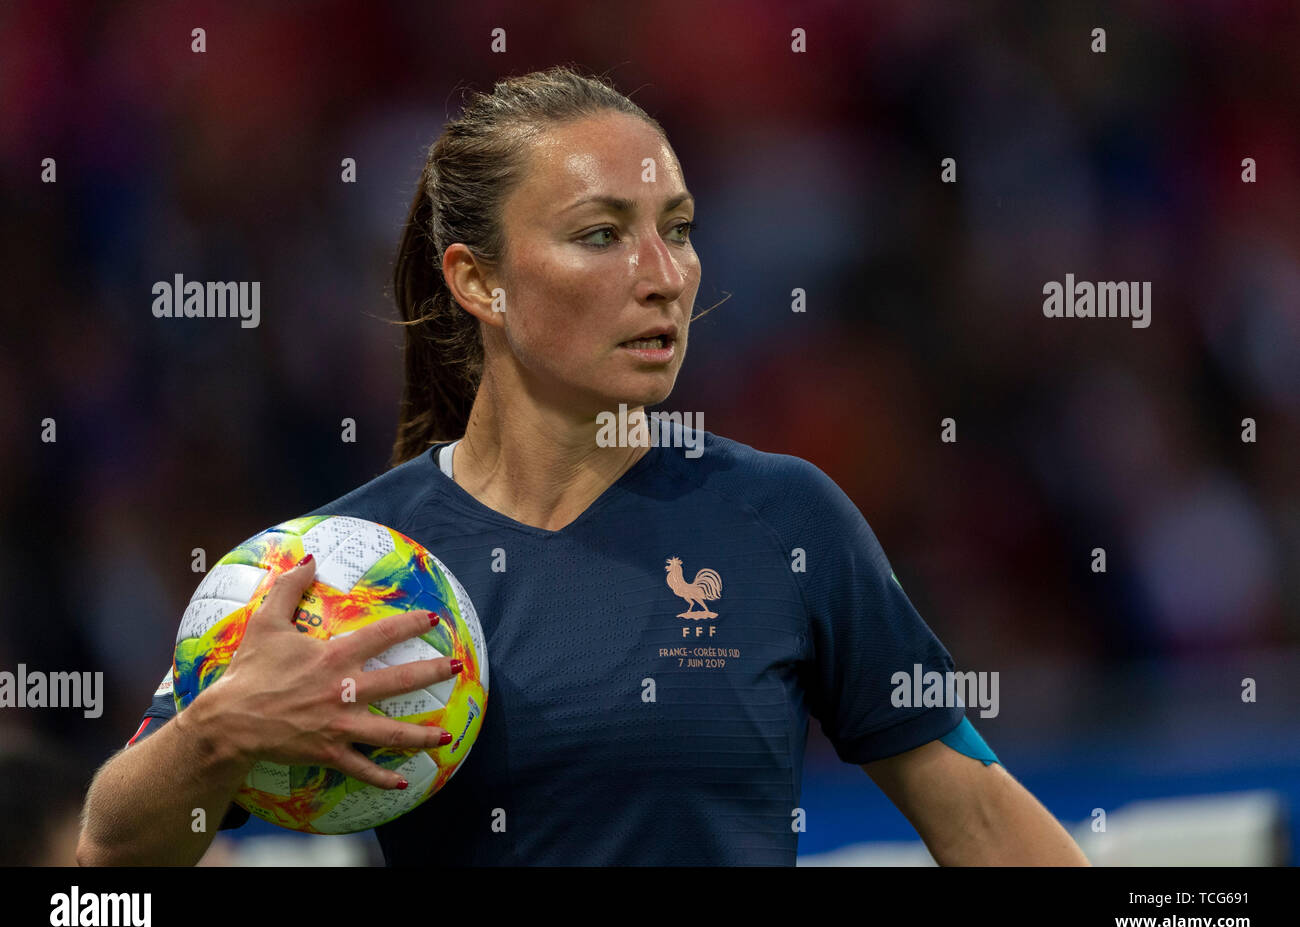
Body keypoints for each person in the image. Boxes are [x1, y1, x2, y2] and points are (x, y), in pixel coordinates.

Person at [78, 65, 1088, 866]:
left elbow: (984, 818)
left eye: (678, 231)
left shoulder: (786, 521)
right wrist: (216, 735)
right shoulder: (346, 567)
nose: (663, 277)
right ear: (479, 281)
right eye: (601, 235)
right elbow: (107, 863)